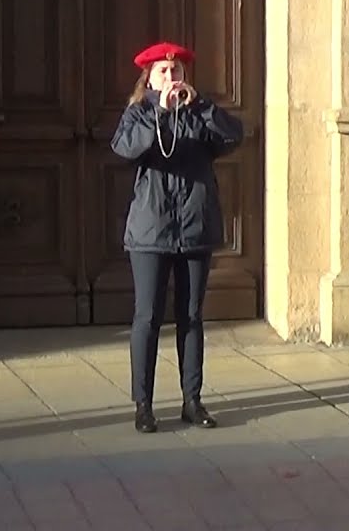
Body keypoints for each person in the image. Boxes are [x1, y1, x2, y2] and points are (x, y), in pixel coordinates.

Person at [110, 41, 244, 433]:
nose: (172, 77)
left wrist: (200, 107)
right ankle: (144, 405)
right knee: (147, 316)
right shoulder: (138, 114)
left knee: (191, 316)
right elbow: (126, 148)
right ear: (149, 79)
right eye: (164, 72)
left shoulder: (199, 113)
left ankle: (192, 400)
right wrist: (161, 116)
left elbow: (234, 137)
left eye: (178, 71)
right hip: (151, 231)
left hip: (194, 227)